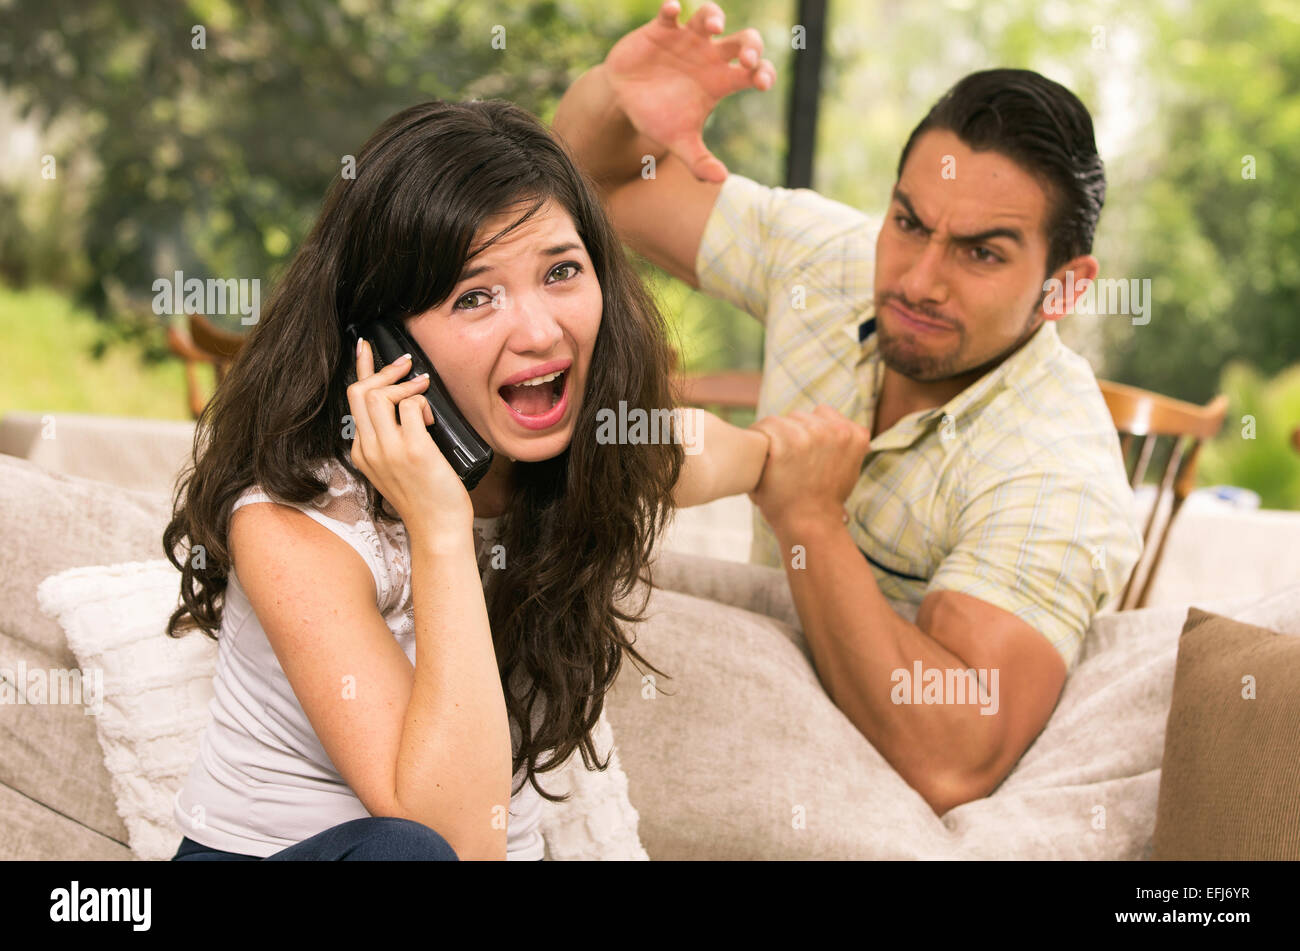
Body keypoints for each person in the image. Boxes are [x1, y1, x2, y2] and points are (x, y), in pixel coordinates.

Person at [552, 0, 1143, 814]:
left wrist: (812, 520)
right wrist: (614, 98)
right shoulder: (830, 257)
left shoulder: (1056, 469)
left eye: (981, 252)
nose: (919, 279)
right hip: (751, 715)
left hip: (866, 797)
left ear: (1064, 286)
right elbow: (596, 187)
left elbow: (954, 755)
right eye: (910, 222)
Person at [162, 97, 769, 861]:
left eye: (561, 272)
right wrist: (440, 527)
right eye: (475, 296)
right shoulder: (294, 523)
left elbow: (699, 450)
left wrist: (781, 455)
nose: (541, 331)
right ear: (380, 345)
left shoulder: (587, 456)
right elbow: (454, 841)